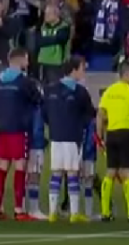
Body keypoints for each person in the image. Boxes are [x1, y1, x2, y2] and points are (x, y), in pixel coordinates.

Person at [45, 56, 95, 223]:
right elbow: (90, 114)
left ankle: (52, 212)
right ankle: (74, 213)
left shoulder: (50, 89)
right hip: (72, 136)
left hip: (55, 136)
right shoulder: (80, 91)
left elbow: (45, 114)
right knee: (73, 173)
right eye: (82, 68)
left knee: (56, 173)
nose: (83, 72)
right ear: (74, 70)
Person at [0, 47, 39, 219]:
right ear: (20, 60)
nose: (28, 62)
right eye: (26, 59)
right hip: (20, 128)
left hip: (4, 127)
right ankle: (19, 209)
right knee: (20, 167)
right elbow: (37, 99)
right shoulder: (24, 81)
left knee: (3, 166)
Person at [98, 62, 129, 223]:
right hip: (126, 134)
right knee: (128, 173)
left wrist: (100, 137)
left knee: (111, 171)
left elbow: (101, 115)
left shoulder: (109, 91)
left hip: (111, 134)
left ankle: (105, 212)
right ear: (126, 75)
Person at [24, 88, 49, 220]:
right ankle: (33, 209)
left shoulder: (23, 107)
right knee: (34, 175)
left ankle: (22, 207)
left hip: (24, 142)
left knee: (24, 175)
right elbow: (37, 128)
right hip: (35, 144)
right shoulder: (38, 109)